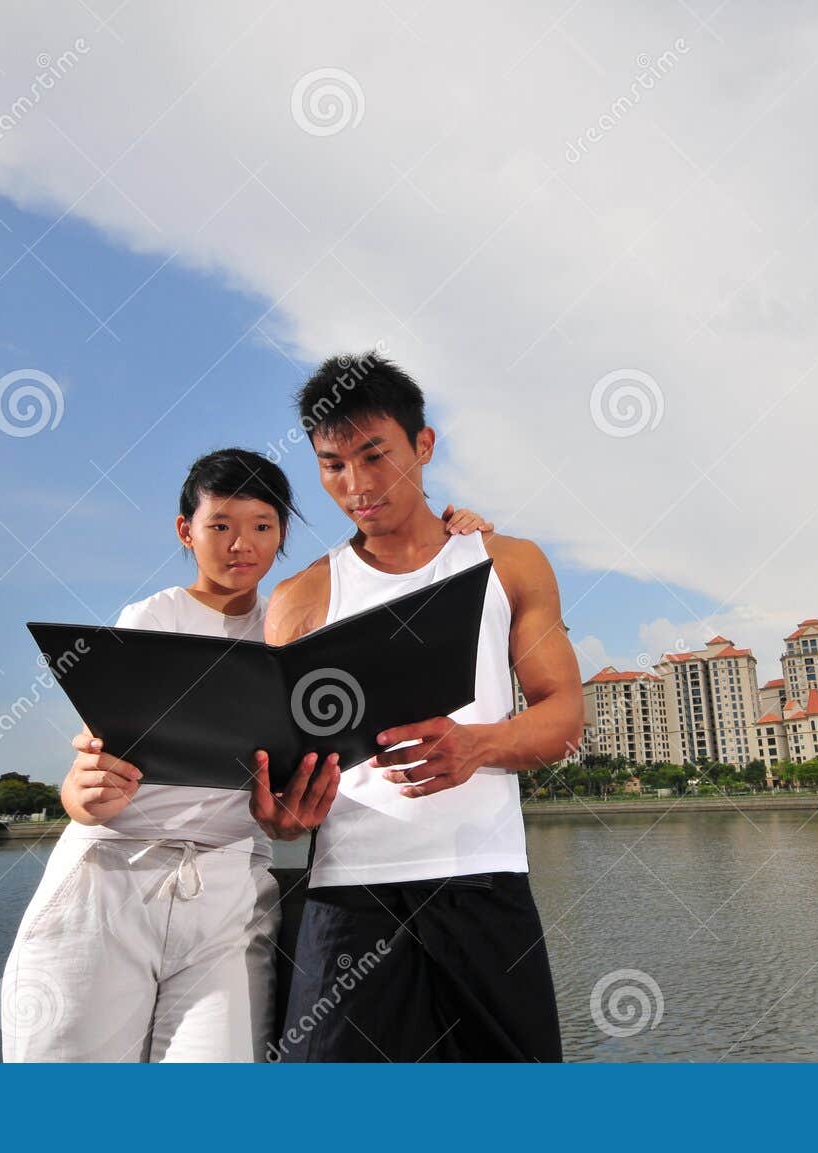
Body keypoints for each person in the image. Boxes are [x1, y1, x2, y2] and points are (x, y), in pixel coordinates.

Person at [0, 447, 491, 1062]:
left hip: (230, 887)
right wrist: (81, 798)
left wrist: (452, 535)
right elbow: (89, 767)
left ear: (283, 533)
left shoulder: (292, 624)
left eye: (262, 526)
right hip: (113, 875)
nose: (243, 545)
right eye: (221, 526)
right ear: (186, 531)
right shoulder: (152, 617)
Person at [256, 354, 584, 1062]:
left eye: (375, 455)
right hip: (349, 892)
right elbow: (274, 765)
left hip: (484, 883)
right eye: (333, 464)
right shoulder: (299, 598)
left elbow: (564, 716)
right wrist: (281, 811)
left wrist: (478, 745)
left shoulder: (508, 563)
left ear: (423, 445)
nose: (357, 485)